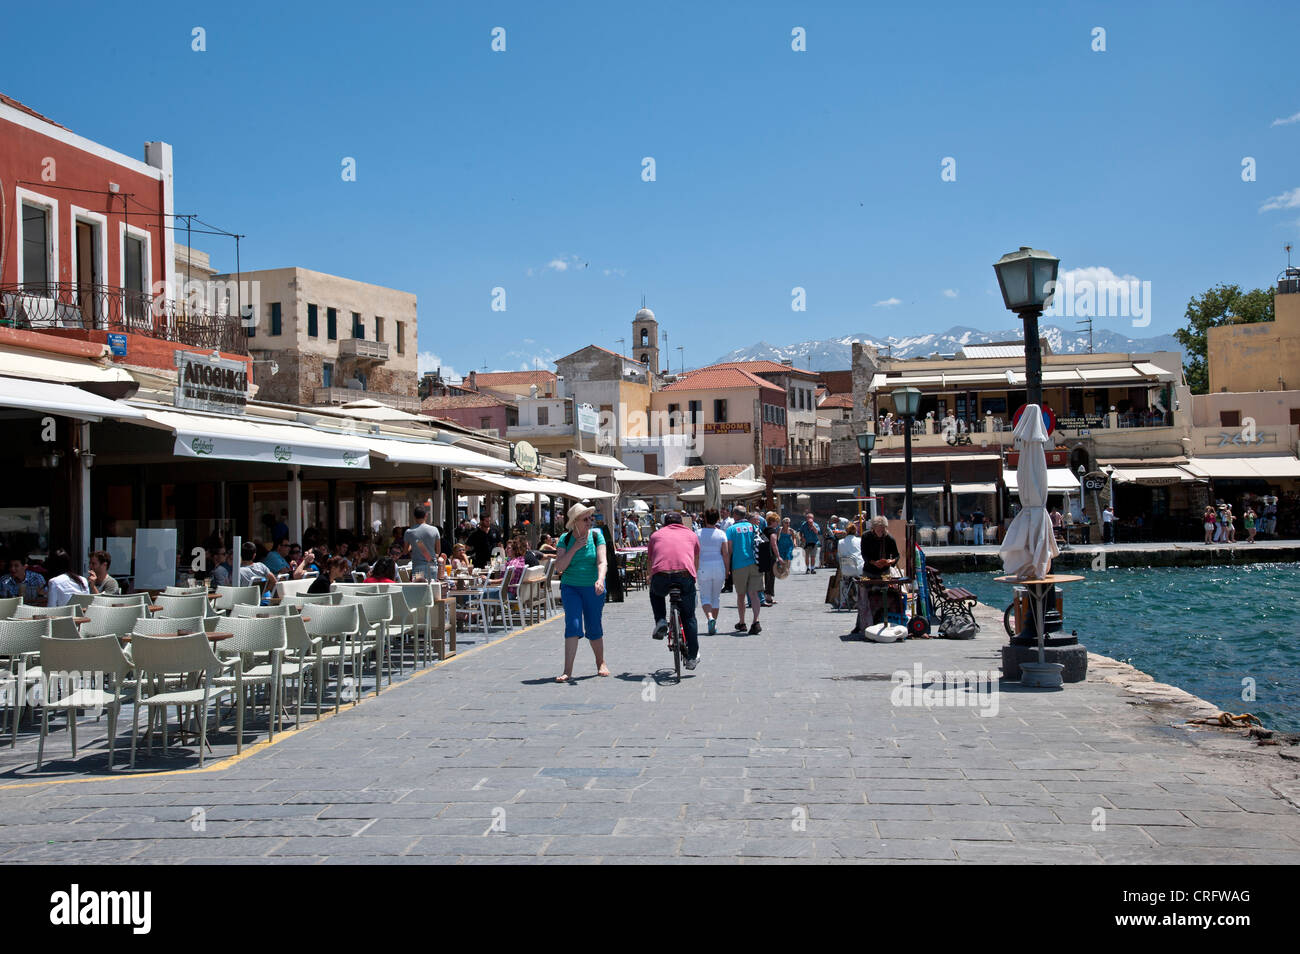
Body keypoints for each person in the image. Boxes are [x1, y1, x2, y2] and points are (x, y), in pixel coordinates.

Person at [552, 504, 609, 682]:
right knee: (573, 624)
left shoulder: (596, 536)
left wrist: (600, 579)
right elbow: (559, 567)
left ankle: (601, 662)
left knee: (593, 625)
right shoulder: (565, 539)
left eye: (590, 518)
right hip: (571, 587)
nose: (589, 522)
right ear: (575, 522)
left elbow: (602, 562)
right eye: (585, 519)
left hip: (593, 587)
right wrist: (574, 547)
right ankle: (567, 671)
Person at [648, 511, 701, 670]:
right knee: (689, 616)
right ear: (682, 523)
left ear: (665, 524)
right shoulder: (691, 535)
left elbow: (650, 561)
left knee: (655, 593)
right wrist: (693, 576)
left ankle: (661, 620)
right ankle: (692, 657)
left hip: (662, 576)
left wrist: (650, 577)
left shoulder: (656, 535)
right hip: (684, 576)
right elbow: (695, 559)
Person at [854, 516, 901, 632]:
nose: (881, 532)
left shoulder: (889, 538)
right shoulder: (866, 536)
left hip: (884, 572)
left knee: (886, 596)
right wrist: (874, 563)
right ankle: (860, 625)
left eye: (882, 529)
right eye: (878, 529)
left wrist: (891, 561)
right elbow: (864, 554)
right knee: (863, 598)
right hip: (869, 570)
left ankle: (884, 621)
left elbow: (896, 555)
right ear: (873, 528)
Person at [726, 504, 763, 634]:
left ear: (735, 515)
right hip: (755, 563)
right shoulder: (753, 527)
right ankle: (756, 621)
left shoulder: (731, 530)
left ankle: (742, 623)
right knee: (754, 594)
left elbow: (729, 550)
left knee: (741, 595)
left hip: (739, 565)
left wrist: (727, 568)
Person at [695, 508, 729, 636]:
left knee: (705, 597)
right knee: (716, 597)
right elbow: (725, 553)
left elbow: (696, 554)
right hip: (718, 566)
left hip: (703, 566)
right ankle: (713, 624)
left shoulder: (697, 533)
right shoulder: (721, 534)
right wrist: (727, 569)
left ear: (704, 518)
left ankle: (710, 618)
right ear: (717, 519)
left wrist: (694, 568)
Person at [404, 506, 441, 580]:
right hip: (432, 566)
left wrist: (413, 545)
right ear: (426, 515)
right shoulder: (434, 530)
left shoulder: (409, 532)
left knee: (419, 590)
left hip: (418, 567)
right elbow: (438, 551)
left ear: (414, 517)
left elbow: (405, 551)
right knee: (432, 589)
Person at [758, 511, 784, 606]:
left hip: (763, 555)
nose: (778, 524)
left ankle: (765, 595)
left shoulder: (764, 530)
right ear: (773, 522)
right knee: (771, 576)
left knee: (766, 576)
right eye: (777, 521)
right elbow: (774, 545)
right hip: (770, 556)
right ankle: (768, 596)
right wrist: (778, 556)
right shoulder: (772, 532)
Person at [836, 521, 864, 608]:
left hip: (845, 570)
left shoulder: (840, 542)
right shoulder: (859, 541)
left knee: (846, 579)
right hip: (858, 569)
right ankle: (859, 598)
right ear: (856, 531)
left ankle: (846, 599)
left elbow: (839, 555)